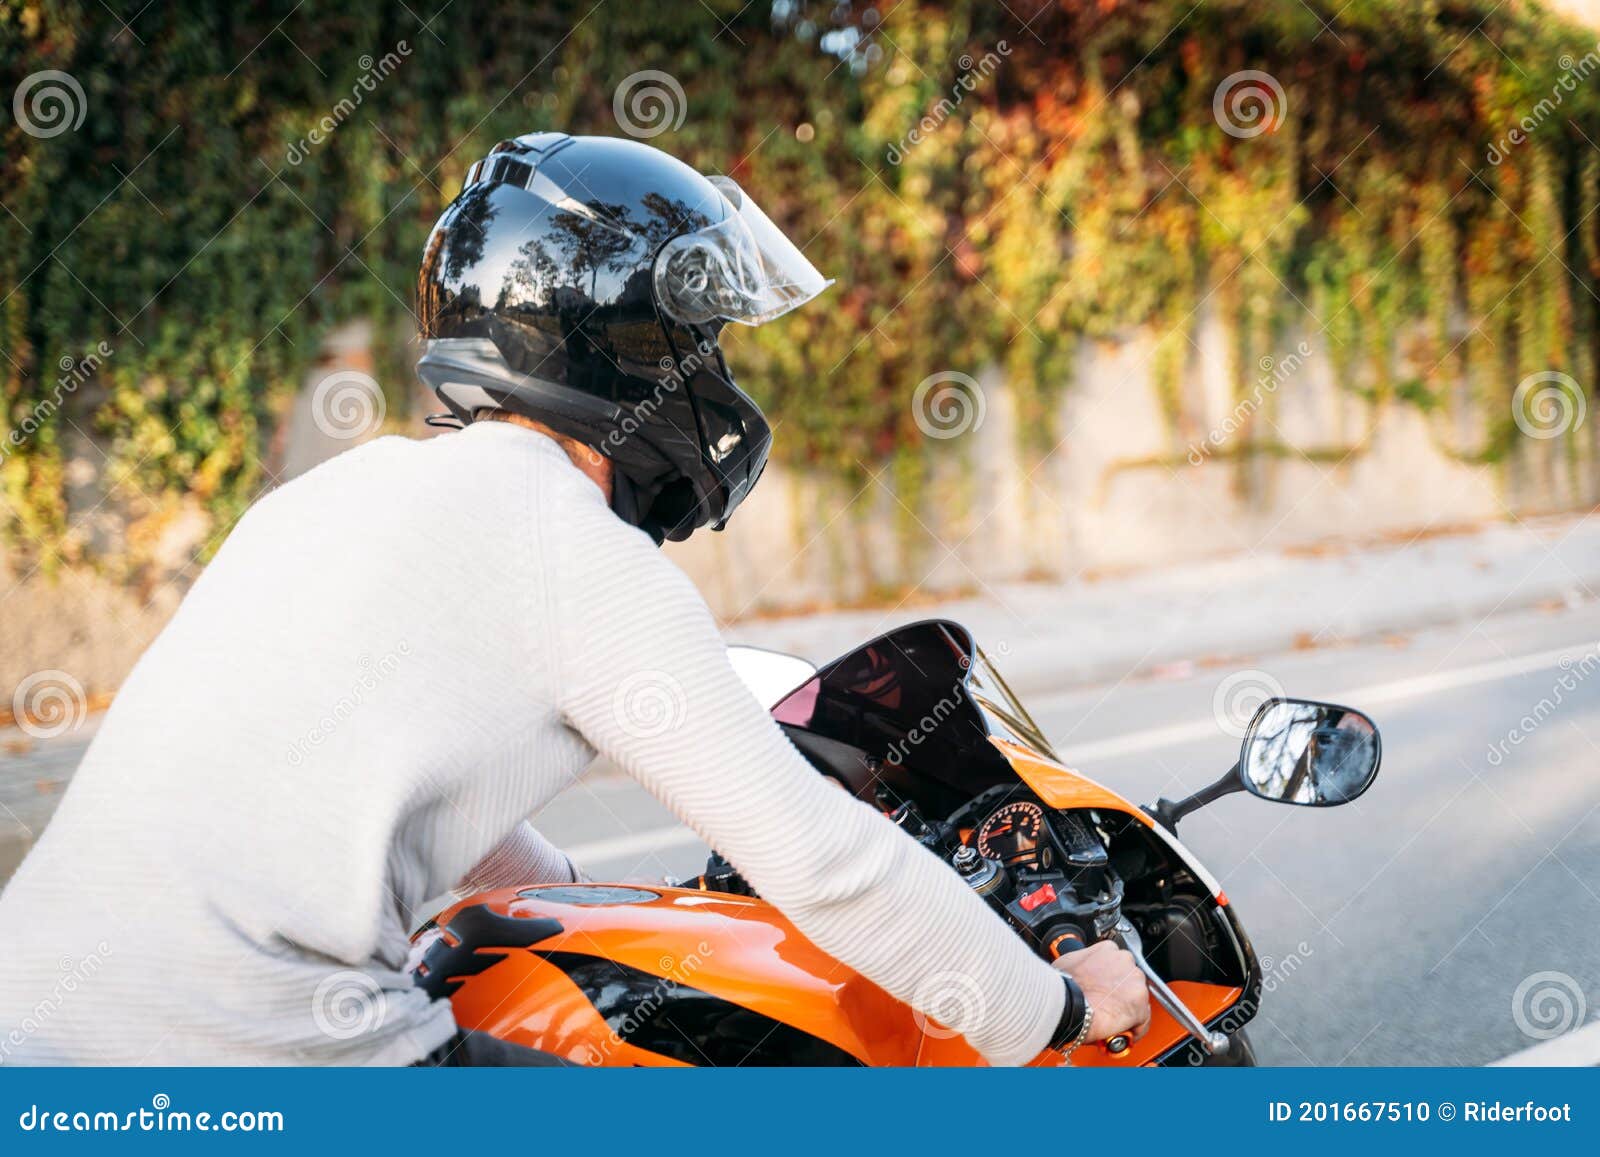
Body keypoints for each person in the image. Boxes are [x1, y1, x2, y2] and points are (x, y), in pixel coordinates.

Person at [0, 133, 1148, 1066]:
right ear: (631, 354)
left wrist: (588, 896)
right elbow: (822, 860)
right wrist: (1051, 1005)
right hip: (261, 1051)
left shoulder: (331, 495)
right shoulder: (580, 556)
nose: (720, 383)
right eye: (703, 346)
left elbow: (404, 782)